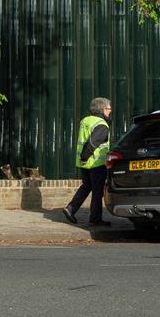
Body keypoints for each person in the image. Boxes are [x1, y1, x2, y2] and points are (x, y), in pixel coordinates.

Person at [64, 97, 115, 227]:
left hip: (84, 163)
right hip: (95, 163)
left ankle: (70, 209)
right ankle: (95, 220)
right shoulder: (102, 125)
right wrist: (85, 156)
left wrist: (82, 159)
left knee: (86, 186)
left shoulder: (85, 120)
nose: (110, 111)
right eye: (109, 109)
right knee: (97, 192)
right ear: (103, 109)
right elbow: (92, 143)